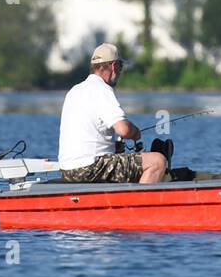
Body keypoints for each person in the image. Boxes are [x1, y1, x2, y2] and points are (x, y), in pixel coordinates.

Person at [58, 43, 168, 185]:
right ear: (114, 66)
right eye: (120, 67)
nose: (120, 72)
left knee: (123, 159)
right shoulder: (102, 89)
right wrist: (135, 133)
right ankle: (137, 205)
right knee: (157, 161)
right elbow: (124, 130)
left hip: (67, 170)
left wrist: (113, 149)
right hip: (90, 168)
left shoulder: (75, 90)